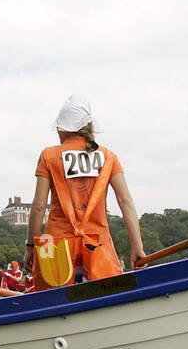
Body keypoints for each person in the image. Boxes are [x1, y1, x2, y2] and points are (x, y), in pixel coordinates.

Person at [27, 92, 146, 289]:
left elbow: (39, 206)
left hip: (56, 247)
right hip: (98, 244)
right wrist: (137, 246)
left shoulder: (48, 155)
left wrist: (30, 246)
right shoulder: (109, 156)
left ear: (63, 128)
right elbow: (126, 201)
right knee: (105, 300)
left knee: (52, 304)